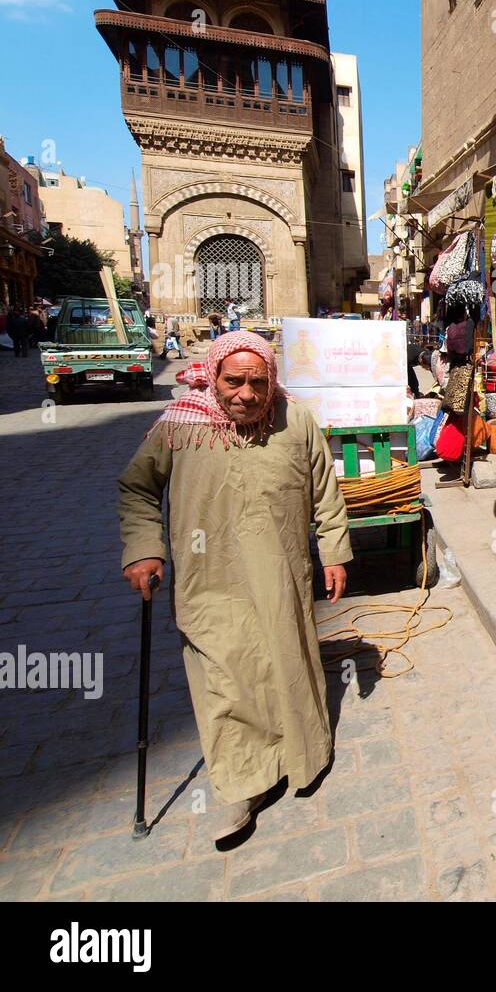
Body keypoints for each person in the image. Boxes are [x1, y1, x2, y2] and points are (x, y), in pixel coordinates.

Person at [117, 331, 353, 845]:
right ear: (214, 376)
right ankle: (243, 785)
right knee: (226, 679)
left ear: (271, 381)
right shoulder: (178, 428)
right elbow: (137, 488)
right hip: (210, 583)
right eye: (234, 381)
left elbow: (325, 493)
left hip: (282, 576)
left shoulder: (296, 422)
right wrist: (143, 547)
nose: (245, 394)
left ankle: (304, 758)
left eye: (258, 382)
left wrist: (334, 552)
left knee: (290, 663)